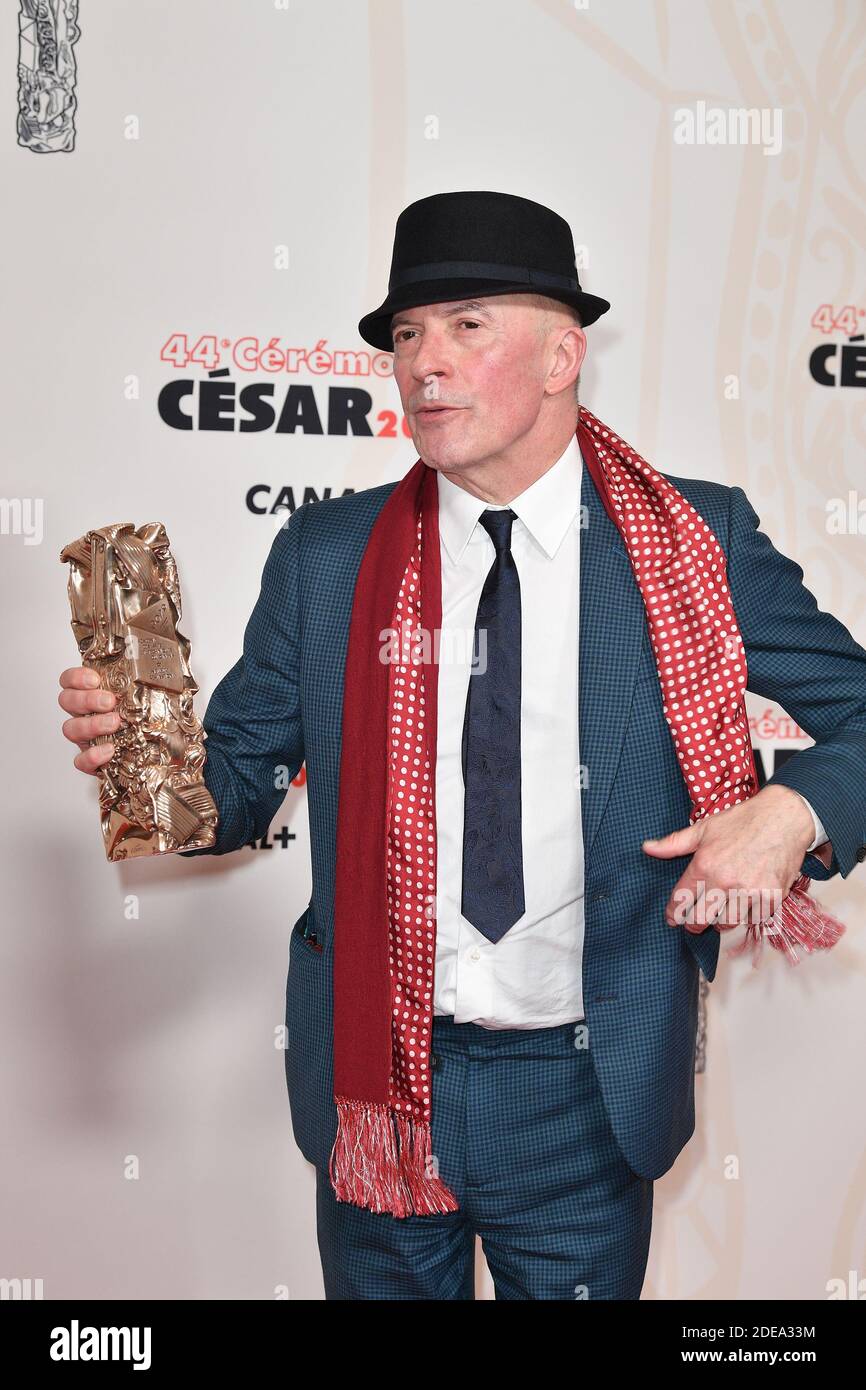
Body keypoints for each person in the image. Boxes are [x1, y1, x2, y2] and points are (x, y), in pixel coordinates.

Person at [58, 191, 866, 1300]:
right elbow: (238, 784)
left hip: (584, 1098)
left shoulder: (693, 538)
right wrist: (147, 760)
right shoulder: (327, 555)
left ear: (560, 354)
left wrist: (790, 812)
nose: (423, 364)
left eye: (467, 324)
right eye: (404, 335)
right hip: (377, 1092)